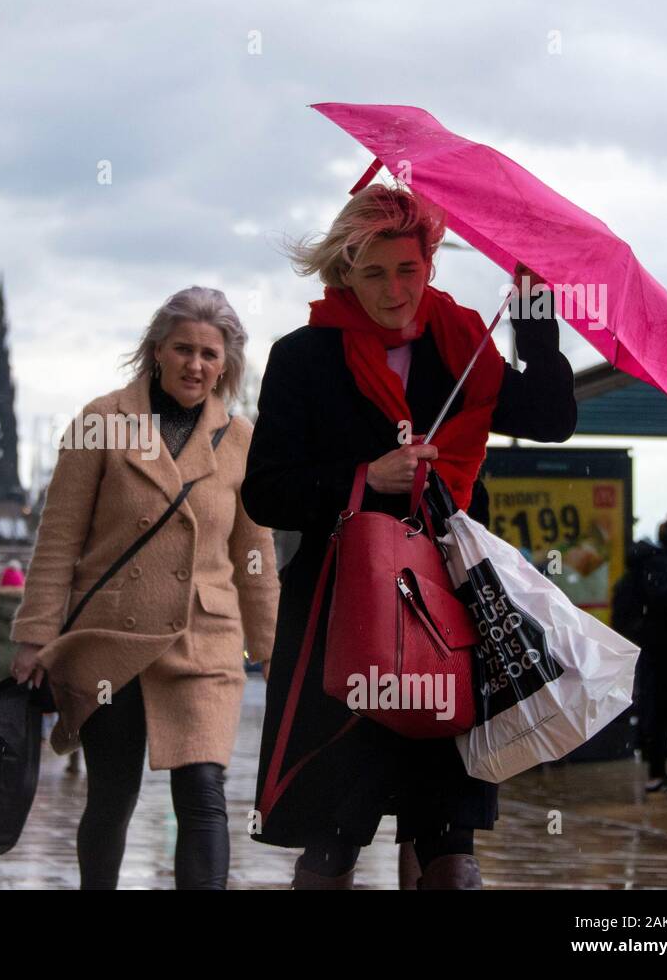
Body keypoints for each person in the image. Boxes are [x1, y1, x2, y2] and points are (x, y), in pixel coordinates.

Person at [244, 183, 577, 889]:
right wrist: (365, 477)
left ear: (429, 266)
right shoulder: (303, 357)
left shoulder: (461, 343)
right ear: (345, 270)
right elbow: (265, 490)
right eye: (373, 273)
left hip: (448, 616)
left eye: (408, 271)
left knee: (450, 852)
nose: (394, 290)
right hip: (343, 621)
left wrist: (535, 314)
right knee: (331, 845)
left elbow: (551, 415)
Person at [10, 286, 279, 890]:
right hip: (111, 638)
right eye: (183, 349)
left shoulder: (240, 441)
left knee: (204, 792)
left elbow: (254, 554)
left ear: (226, 363)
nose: (195, 365)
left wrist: (271, 646)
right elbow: (58, 541)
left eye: (210, 354)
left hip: (204, 641)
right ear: (156, 350)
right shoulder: (101, 421)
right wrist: (33, 638)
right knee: (111, 793)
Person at [612, 513, 667, 793]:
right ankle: (658, 767)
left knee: (654, 705)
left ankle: (655, 766)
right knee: (660, 706)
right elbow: (666, 598)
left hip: (648, 645)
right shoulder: (663, 563)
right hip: (664, 646)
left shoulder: (645, 563)